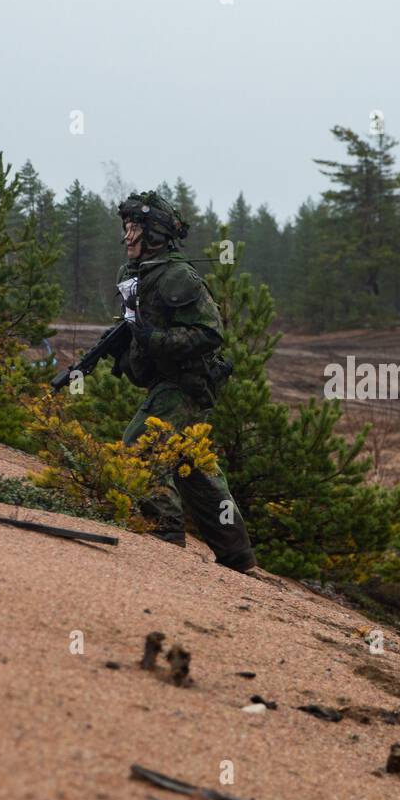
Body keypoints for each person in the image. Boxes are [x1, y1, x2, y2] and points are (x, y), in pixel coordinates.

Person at [112, 191, 256, 573]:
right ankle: (236, 553)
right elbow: (137, 328)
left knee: (141, 444)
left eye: (134, 229)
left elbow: (210, 333)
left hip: (187, 385)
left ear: (155, 235)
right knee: (195, 468)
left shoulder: (178, 276)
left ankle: (164, 536)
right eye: (126, 228)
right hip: (168, 381)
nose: (127, 237)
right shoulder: (136, 276)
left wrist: (154, 340)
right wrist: (125, 352)